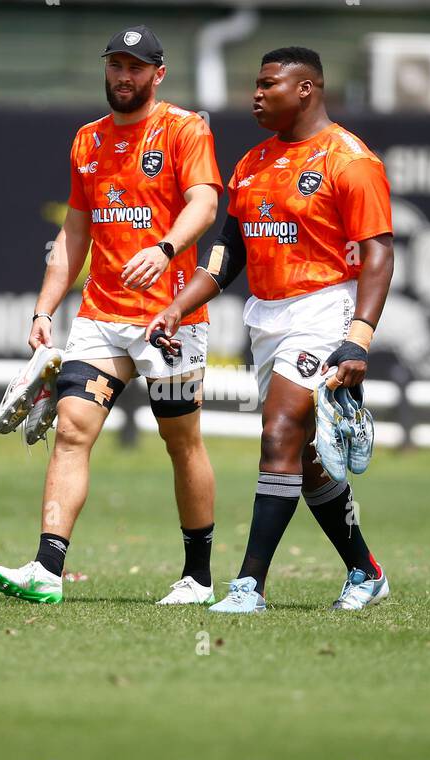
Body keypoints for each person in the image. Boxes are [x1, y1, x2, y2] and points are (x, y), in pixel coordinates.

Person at [145, 46, 394, 613]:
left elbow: (379, 255)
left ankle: (248, 585)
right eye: (255, 85)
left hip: (325, 309)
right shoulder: (252, 162)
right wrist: (178, 306)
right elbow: (227, 255)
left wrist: (358, 339)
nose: (256, 94)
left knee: (277, 433)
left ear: (306, 89)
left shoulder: (349, 159)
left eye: (268, 84)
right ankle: (365, 570)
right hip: (267, 317)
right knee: (302, 459)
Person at [0, 25, 224, 606]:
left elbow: (206, 201)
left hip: (169, 320)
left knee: (181, 442)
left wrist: (165, 248)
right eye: (116, 65)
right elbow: (74, 231)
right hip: (100, 315)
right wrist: (45, 307)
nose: (124, 76)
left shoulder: (184, 128)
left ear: (158, 74)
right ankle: (46, 570)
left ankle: (198, 577)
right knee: (71, 428)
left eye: (136, 67)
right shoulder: (87, 140)